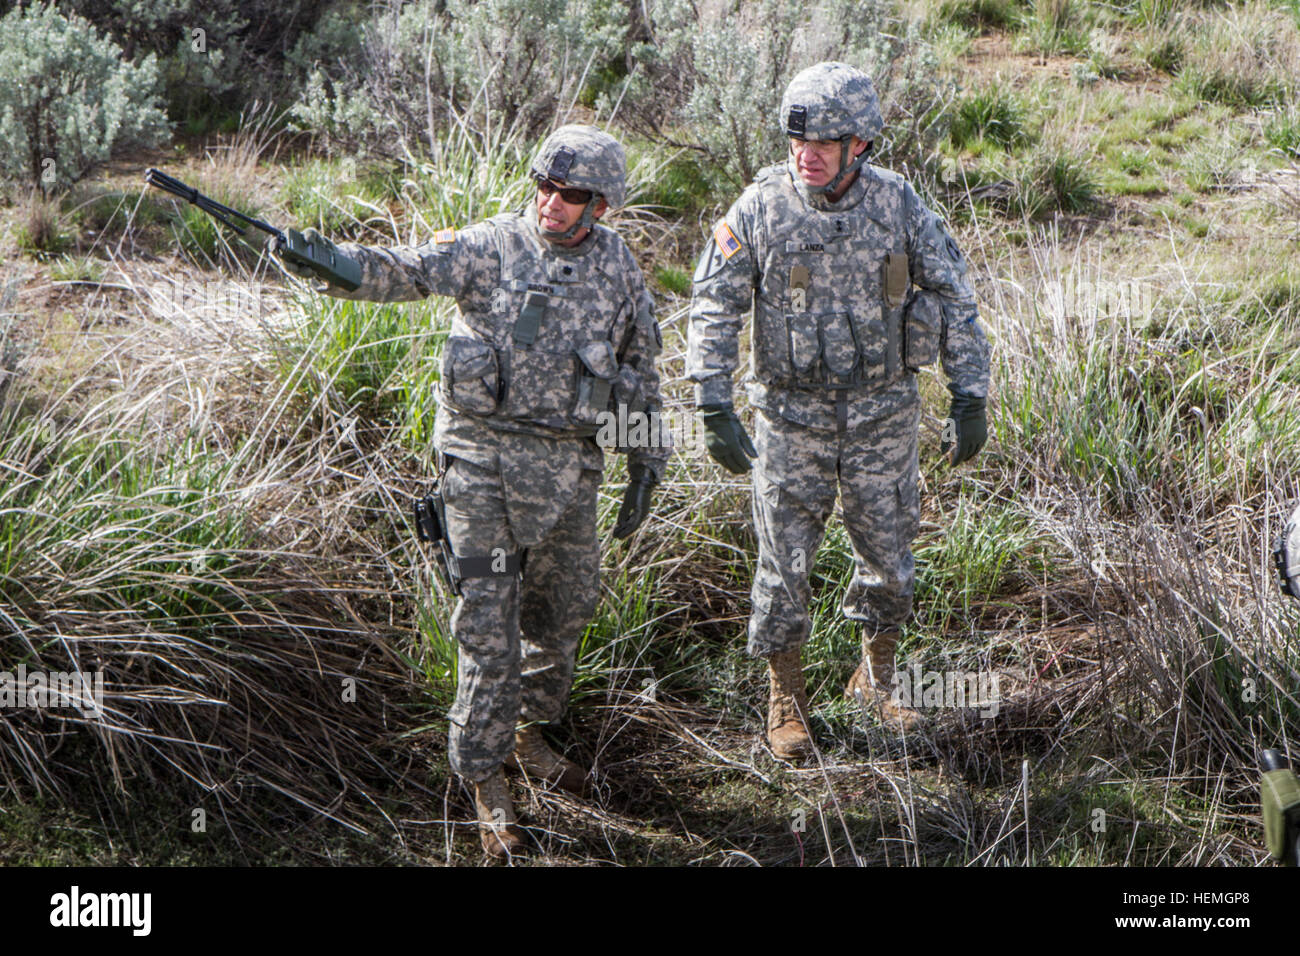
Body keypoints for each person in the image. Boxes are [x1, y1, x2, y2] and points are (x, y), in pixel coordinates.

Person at [274, 125, 668, 857]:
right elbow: (404, 271)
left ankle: (526, 736)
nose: (551, 203)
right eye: (544, 186)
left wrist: (648, 461)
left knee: (563, 612)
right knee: (488, 629)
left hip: (568, 471)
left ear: (602, 205)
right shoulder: (488, 246)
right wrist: (330, 263)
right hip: (481, 466)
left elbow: (640, 367)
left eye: (572, 194)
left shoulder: (619, 269)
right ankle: (485, 778)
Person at [687, 62, 991, 758]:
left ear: (861, 144)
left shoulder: (898, 204)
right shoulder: (760, 208)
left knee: (889, 556)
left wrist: (969, 391)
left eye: (826, 142)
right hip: (790, 419)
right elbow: (712, 307)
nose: (808, 154)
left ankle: (876, 679)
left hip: (883, 412)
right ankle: (785, 698)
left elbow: (954, 295)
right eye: (799, 140)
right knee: (784, 562)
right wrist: (712, 402)